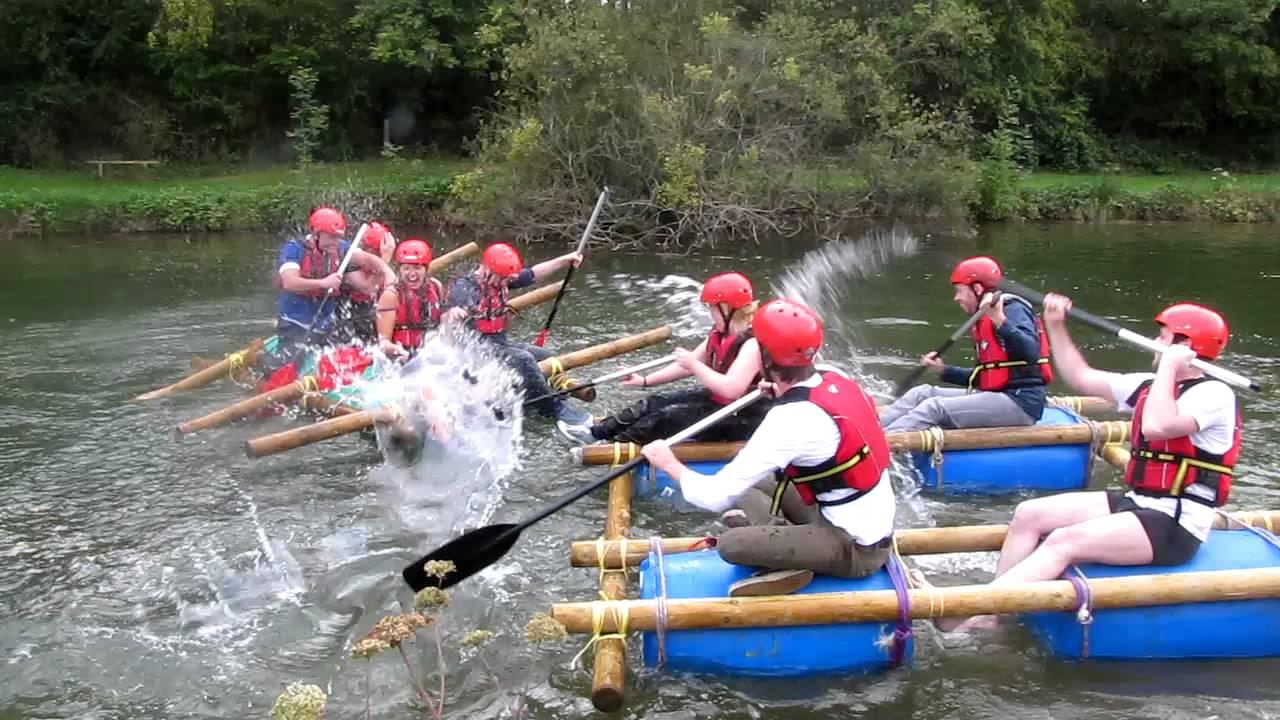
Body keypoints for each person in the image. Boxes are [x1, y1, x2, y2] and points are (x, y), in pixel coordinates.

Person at [921, 295, 1241, 633]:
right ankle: (995, 611)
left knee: (1064, 541)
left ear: (1184, 344)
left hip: (1176, 523)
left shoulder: (1214, 395)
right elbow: (1080, 377)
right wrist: (1055, 326)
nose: (1155, 343)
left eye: (1162, 336)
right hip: (1142, 503)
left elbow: (1157, 426)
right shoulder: (1152, 384)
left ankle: (978, 613)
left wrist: (1168, 368)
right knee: (1029, 515)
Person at [641, 298, 896, 597]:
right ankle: (784, 537)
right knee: (749, 485)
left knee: (730, 544)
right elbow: (815, 413)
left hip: (857, 548)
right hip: (849, 514)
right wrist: (779, 392)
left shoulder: (790, 418)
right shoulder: (831, 374)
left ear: (766, 357)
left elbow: (714, 496)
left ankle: (792, 563)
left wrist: (670, 463)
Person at [557, 271, 771, 445]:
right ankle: (596, 433)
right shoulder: (720, 332)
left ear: (728, 309)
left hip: (740, 418)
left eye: (712, 308)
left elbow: (731, 389)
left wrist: (695, 365)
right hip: (717, 403)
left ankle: (611, 446)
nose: (710, 314)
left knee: (666, 417)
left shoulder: (751, 344)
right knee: (654, 403)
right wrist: (644, 381)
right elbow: (685, 367)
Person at [878, 256, 1052, 432]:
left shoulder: (1012, 310)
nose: (956, 298)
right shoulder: (985, 317)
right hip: (998, 396)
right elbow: (986, 376)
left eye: (960, 291)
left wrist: (999, 319)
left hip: (1019, 403)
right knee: (921, 393)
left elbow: (1032, 352)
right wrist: (943, 370)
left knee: (934, 407)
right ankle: (869, 433)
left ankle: (880, 447)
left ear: (977, 289)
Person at [442, 242, 591, 426]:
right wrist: (455, 310)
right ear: (487, 269)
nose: (506, 282)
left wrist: (563, 260)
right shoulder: (466, 286)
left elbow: (532, 274)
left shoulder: (499, 277)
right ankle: (553, 408)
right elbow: (457, 302)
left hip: (499, 344)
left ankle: (535, 394)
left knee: (547, 356)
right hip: (476, 350)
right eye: (503, 278)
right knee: (524, 359)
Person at [271, 207, 395, 364]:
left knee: (347, 353)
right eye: (331, 237)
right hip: (296, 322)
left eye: (337, 237)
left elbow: (367, 259)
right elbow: (289, 282)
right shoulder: (294, 249)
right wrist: (323, 283)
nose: (335, 242)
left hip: (327, 325)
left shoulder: (341, 248)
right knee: (285, 364)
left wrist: (387, 271)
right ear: (316, 233)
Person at [376, 238, 444, 359]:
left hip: (430, 353)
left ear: (426, 269)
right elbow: (383, 343)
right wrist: (396, 350)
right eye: (406, 268)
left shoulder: (436, 287)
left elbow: (441, 326)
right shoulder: (391, 295)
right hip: (401, 354)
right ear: (399, 270)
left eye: (417, 268)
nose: (412, 274)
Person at [342, 220, 396, 344]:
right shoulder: (349, 262)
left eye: (379, 252)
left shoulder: (381, 266)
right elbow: (369, 288)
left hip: (372, 310)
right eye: (374, 251)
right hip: (352, 314)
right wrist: (385, 260)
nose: (376, 256)